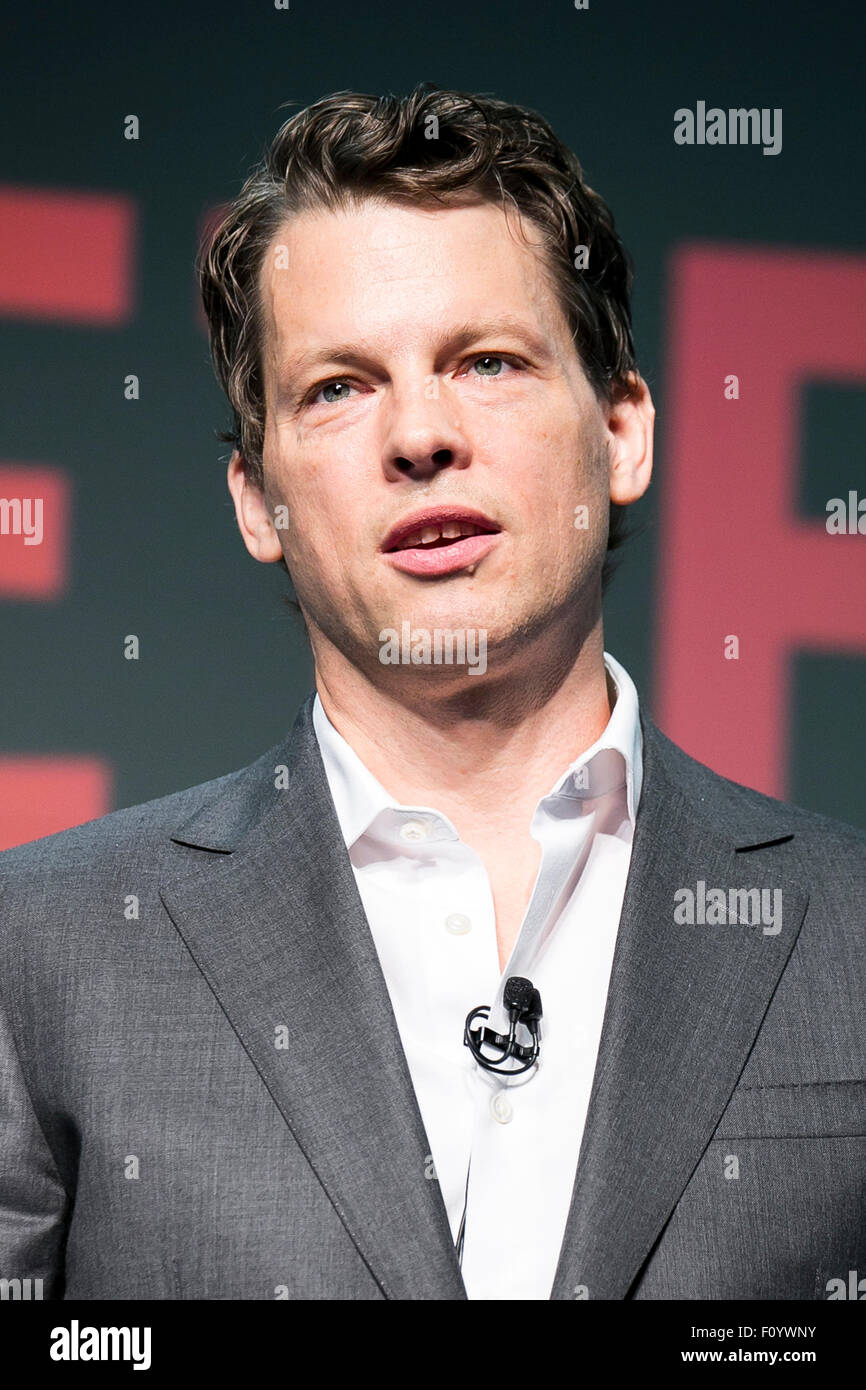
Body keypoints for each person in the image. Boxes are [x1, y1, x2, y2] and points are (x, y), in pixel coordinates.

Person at [1, 85, 863, 1302]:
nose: (419, 434)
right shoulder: (36, 951)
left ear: (621, 433)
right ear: (257, 499)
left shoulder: (850, 931)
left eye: (489, 361)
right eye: (338, 387)